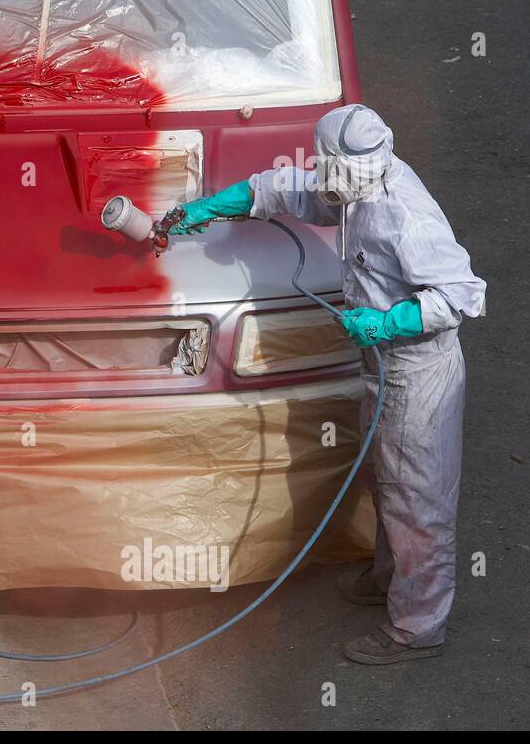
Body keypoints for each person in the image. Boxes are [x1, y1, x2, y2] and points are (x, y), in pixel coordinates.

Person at [172, 105, 486, 664]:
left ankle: (416, 629)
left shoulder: (407, 218)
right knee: (386, 477)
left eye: (330, 172)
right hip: (384, 365)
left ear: (354, 166)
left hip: (418, 371)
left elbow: (463, 296)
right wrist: (211, 208)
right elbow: (290, 190)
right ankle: (392, 577)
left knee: (418, 499)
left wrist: (388, 321)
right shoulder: (355, 184)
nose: (324, 181)